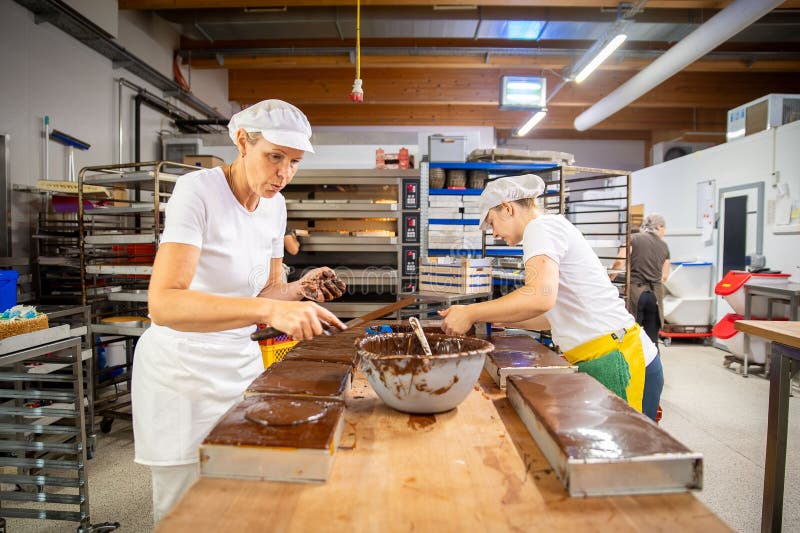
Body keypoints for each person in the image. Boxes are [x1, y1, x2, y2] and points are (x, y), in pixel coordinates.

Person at [131, 99, 346, 524]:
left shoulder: (275, 206)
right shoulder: (199, 191)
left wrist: (298, 289)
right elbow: (164, 303)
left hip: (239, 367)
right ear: (242, 142)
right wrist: (270, 307)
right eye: (275, 157)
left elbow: (266, 292)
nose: (284, 173)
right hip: (183, 374)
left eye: (295, 162)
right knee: (185, 511)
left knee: (238, 495)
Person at [439, 174, 663, 421]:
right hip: (610, 355)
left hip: (621, 360)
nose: (494, 234)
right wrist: (505, 320)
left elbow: (540, 297)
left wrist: (470, 312)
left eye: (492, 223)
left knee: (623, 455)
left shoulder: (540, 228)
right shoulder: (549, 228)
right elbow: (552, 315)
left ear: (507, 208)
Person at [627, 214, 670, 345]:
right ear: (659, 227)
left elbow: (619, 261)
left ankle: (632, 363)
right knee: (652, 338)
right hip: (654, 295)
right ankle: (652, 363)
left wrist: (610, 278)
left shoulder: (633, 239)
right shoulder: (664, 246)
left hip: (635, 292)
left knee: (632, 333)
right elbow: (665, 276)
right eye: (664, 228)